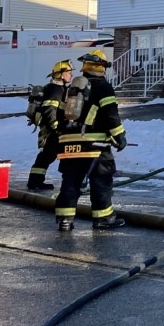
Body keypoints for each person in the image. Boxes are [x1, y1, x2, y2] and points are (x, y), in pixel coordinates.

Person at [53, 49, 127, 231]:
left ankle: (64, 219)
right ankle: (103, 219)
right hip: (94, 146)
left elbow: (60, 115)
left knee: (70, 182)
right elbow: (111, 115)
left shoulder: (71, 89)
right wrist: (120, 137)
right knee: (101, 182)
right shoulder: (103, 87)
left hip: (68, 144)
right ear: (102, 67)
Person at [27, 60, 73, 191]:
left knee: (47, 156)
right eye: (68, 72)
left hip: (52, 129)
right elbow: (49, 110)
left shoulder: (59, 88)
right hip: (52, 130)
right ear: (60, 74)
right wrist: (55, 127)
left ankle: (35, 181)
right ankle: (36, 182)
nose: (71, 75)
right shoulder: (55, 90)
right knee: (49, 155)